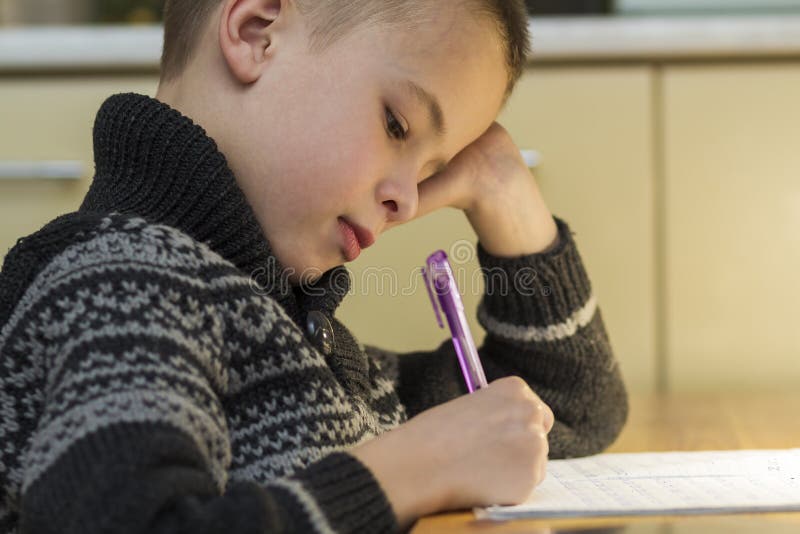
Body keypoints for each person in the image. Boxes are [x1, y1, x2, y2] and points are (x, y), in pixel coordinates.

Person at [0, 0, 628, 532]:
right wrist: (415, 467)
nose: (408, 198)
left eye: (436, 169)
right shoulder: (122, 282)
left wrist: (501, 188)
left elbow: (566, 404)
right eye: (396, 124)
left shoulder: (288, 339)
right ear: (256, 33)